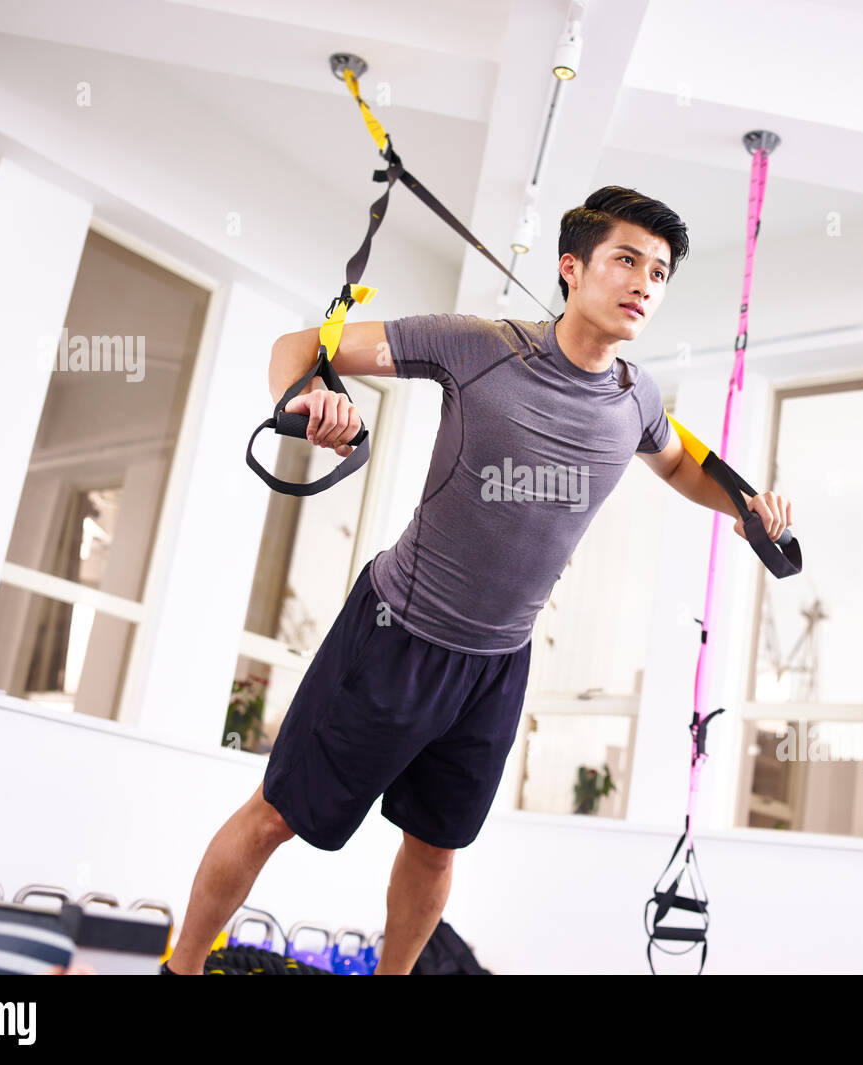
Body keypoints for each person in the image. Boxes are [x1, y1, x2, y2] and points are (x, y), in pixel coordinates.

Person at [162, 186, 792, 976]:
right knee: (274, 818)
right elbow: (302, 343)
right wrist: (309, 397)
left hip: (497, 665)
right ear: (572, 267)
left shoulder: (637, 399)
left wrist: (742, 510)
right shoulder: (476, 345)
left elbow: (677, 466)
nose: (643, 283)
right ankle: (178, 969)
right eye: (626, 260)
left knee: (435, 850)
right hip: (396, 632)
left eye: (659, 273)